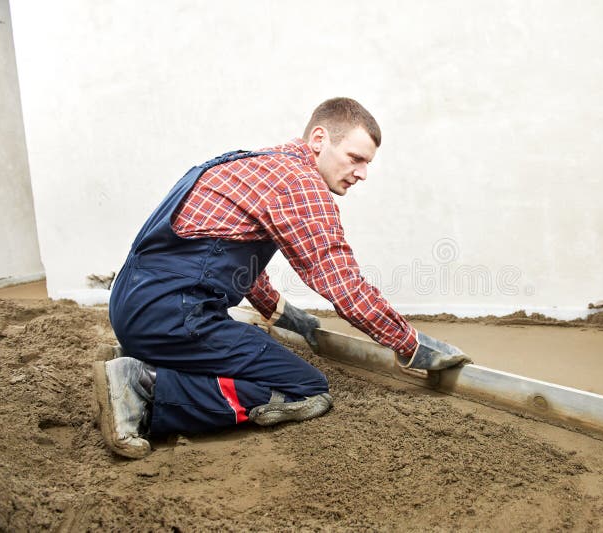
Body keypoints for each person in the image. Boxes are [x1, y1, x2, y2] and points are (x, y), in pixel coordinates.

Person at [93, 97, 471, 459]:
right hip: (174, 317)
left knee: (249, 346)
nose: (362, 173)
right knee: (305, 388)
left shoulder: (250, 166)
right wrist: (410, 345)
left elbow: (223, 258)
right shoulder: (298, 184)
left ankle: (141, 354)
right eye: (355, 158)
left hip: (133, 306)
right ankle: (144, 387)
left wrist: (282, 313)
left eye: (368, 163)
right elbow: (343, 283)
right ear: (319, 139)